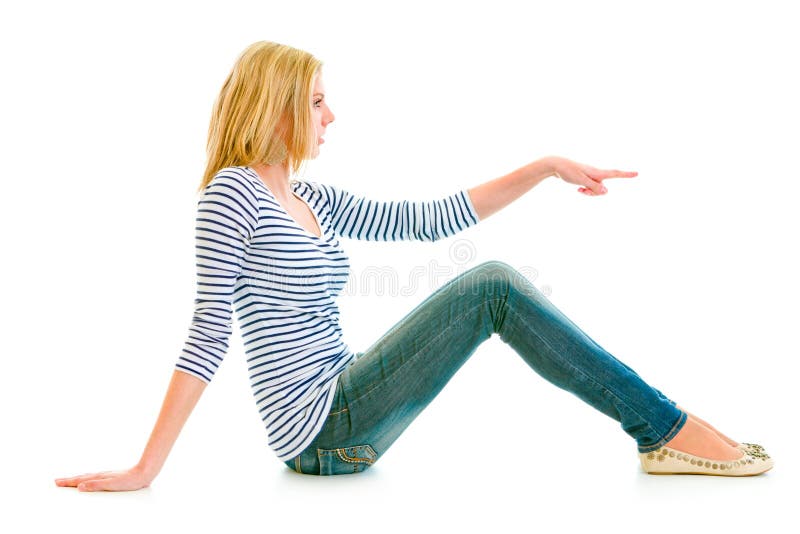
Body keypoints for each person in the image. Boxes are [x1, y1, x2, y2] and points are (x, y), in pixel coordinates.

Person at [55, 41, 773, 491]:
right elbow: (208, 331)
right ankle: (665, 430)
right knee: (491, 285)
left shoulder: (306, 195)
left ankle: (663, 430)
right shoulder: (231, 197)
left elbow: (425, 219)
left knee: (490, 283)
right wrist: (145, 468)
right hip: (323, 432)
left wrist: (544, 167)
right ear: (275, 109)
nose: (331, 116)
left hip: (344, 392)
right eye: (316, 101)